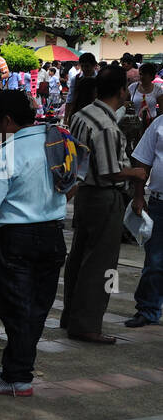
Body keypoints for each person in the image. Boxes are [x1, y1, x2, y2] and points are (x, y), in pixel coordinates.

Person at [0, 91, 68, 395]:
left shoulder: (5, 154)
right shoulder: (56, 143)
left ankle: (17, 375)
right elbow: (73, 184)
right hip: (52, 234)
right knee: (36, 309)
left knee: (16, 310)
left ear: (8, 120)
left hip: (16, 238)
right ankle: (18, 371)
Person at [61, 65, 148, 342]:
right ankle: (87, 324)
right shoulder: (107, 126)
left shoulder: (81, 115)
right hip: (104, 196)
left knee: (79, 258)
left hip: (85, 194)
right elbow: (110, 171)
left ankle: (72, 316)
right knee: (102, 264)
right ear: (123, 91)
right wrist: (135, 173)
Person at [125, 106, 163, 327]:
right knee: (155, 260)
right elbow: (142, 162)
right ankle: (148, 309)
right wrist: (139, 197)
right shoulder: (159, 124)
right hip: (159, 201)